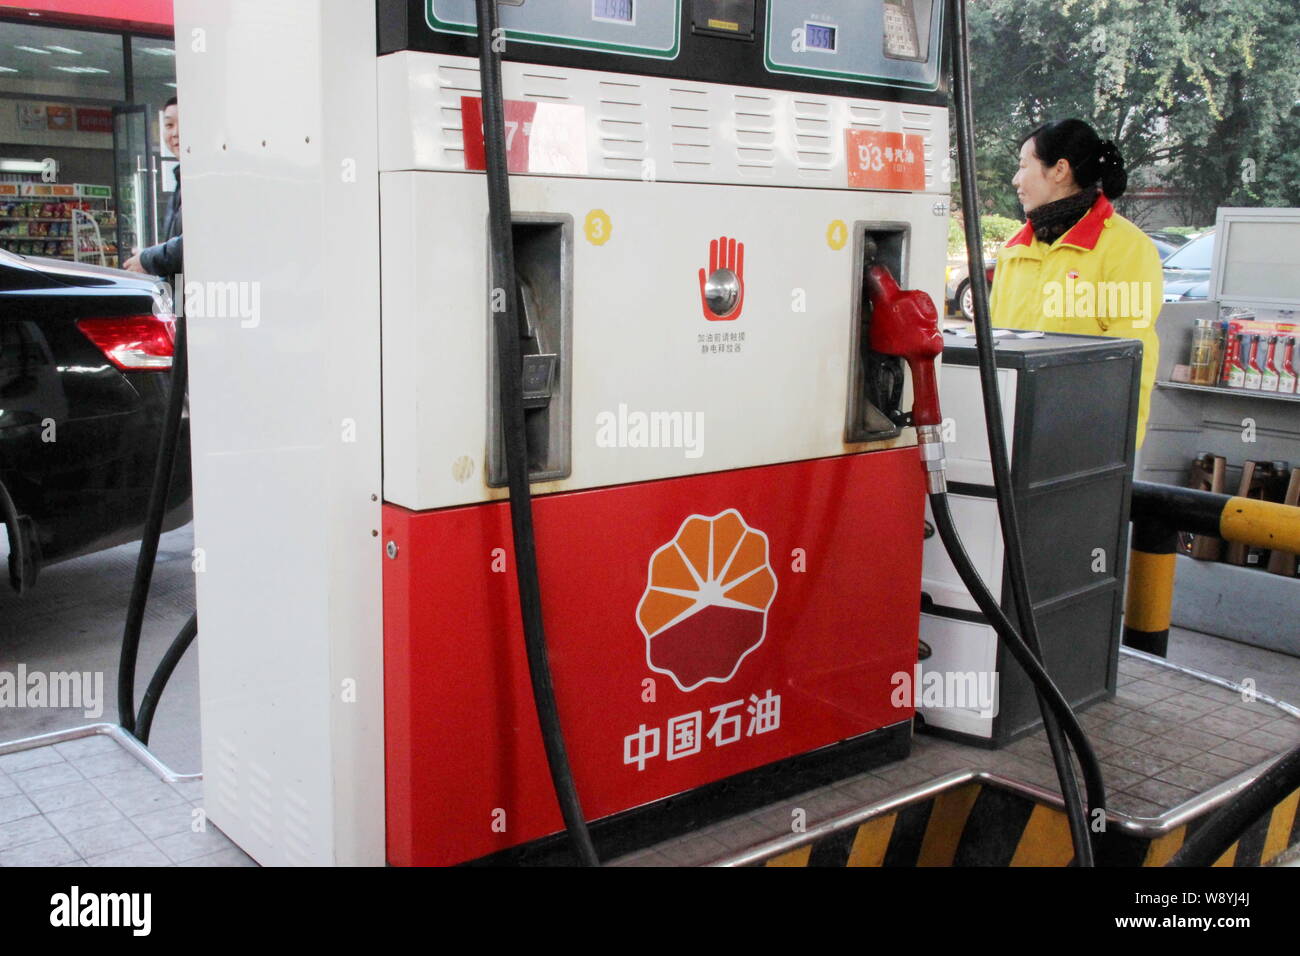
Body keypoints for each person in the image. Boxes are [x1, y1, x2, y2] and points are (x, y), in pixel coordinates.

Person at [989, 119, 1163, 448]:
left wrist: (1114, 445)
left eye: (1024, 165)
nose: (1016, 179)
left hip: (1084, 437)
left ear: (1060, 169)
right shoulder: (1014, 249)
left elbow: (1131, 356)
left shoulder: (1126, 248)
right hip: (1010, 430)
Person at [124, 95, 182, 279]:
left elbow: (194, 244)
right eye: (169, 125)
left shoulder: (208, 180)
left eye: (184, 123)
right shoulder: (182, 181)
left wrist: (147, 259)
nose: (175, 133)